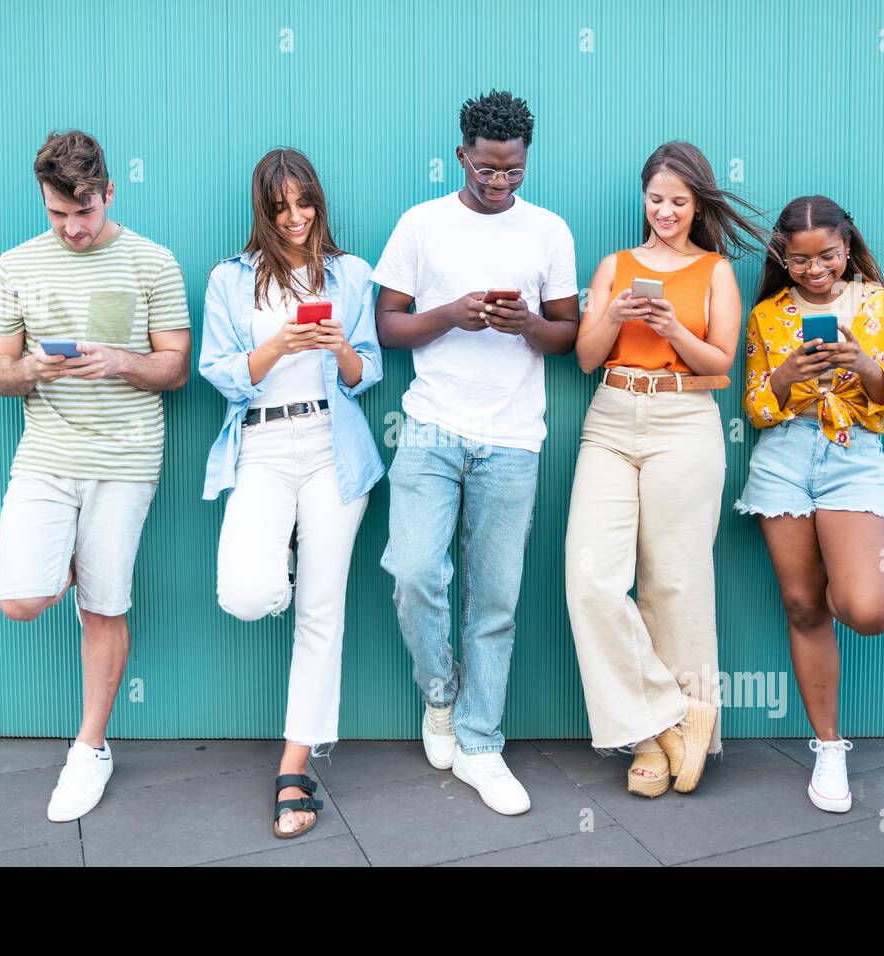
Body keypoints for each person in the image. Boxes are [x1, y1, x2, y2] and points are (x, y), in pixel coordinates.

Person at [373, 90, 579, 815]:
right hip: (430, 428)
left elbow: (570, 337)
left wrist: (525, 323)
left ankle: (481, 744)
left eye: (513, 171)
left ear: (525, 160)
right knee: (414, 571)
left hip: (514, 438)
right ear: (461, 154)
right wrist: (450, 316)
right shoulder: (420, 225)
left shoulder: (549, 231)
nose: (499, 182)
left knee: (495, 601)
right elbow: (389, 328)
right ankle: (440, 693)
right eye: (487, 169)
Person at [0, 129, 191, 822]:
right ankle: (70, 555)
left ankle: (91, 749)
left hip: (127, 462)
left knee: (105, 608)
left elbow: (176, 368)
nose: (72, 228)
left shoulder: (153, 262)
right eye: (57, 214)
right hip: (46, 456)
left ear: (109, 193)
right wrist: (32, 370)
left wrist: (120, 361)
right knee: (19, 598)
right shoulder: (14, 264)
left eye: (85, 212)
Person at [566, 141, 766, 798]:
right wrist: (616, 314)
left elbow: (720, 367)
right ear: (643, 198)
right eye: (656, 199)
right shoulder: (614, 266)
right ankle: (663, 719)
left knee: (675, 584)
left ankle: (668, 735)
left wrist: (673, 328)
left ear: (697, 204)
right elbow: (586, 359)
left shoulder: (713, 272)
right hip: (613, 416)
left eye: (679, 201)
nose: (666, 211)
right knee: (591, 580)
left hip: (684, 418)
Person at [199, 148, 384, 839]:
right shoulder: (230, 279)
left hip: (332, 448)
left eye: (305, 203)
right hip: (263, 447)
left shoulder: (351, 272)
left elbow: (369, 373)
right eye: (280, 207)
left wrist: (337, 347)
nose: (296, 218)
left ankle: (294, 766)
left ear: (318, 201)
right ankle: (280, 561)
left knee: (322, 615)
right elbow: (219, 372)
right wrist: (280, 343)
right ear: (263, 209)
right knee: (247, 594)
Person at [734, 195, 884, 812]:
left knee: (867, 608)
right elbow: (758, 407)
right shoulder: (766, 315)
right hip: (783, 458)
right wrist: (788, 373)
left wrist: (860, 362)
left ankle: (849, 577)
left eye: (827, 257)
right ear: (783, 257)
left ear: (847, 248)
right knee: (802, 605)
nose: (815, 271)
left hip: (853, 456)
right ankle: (829, 747)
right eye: (801, 260)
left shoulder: (882, 306)